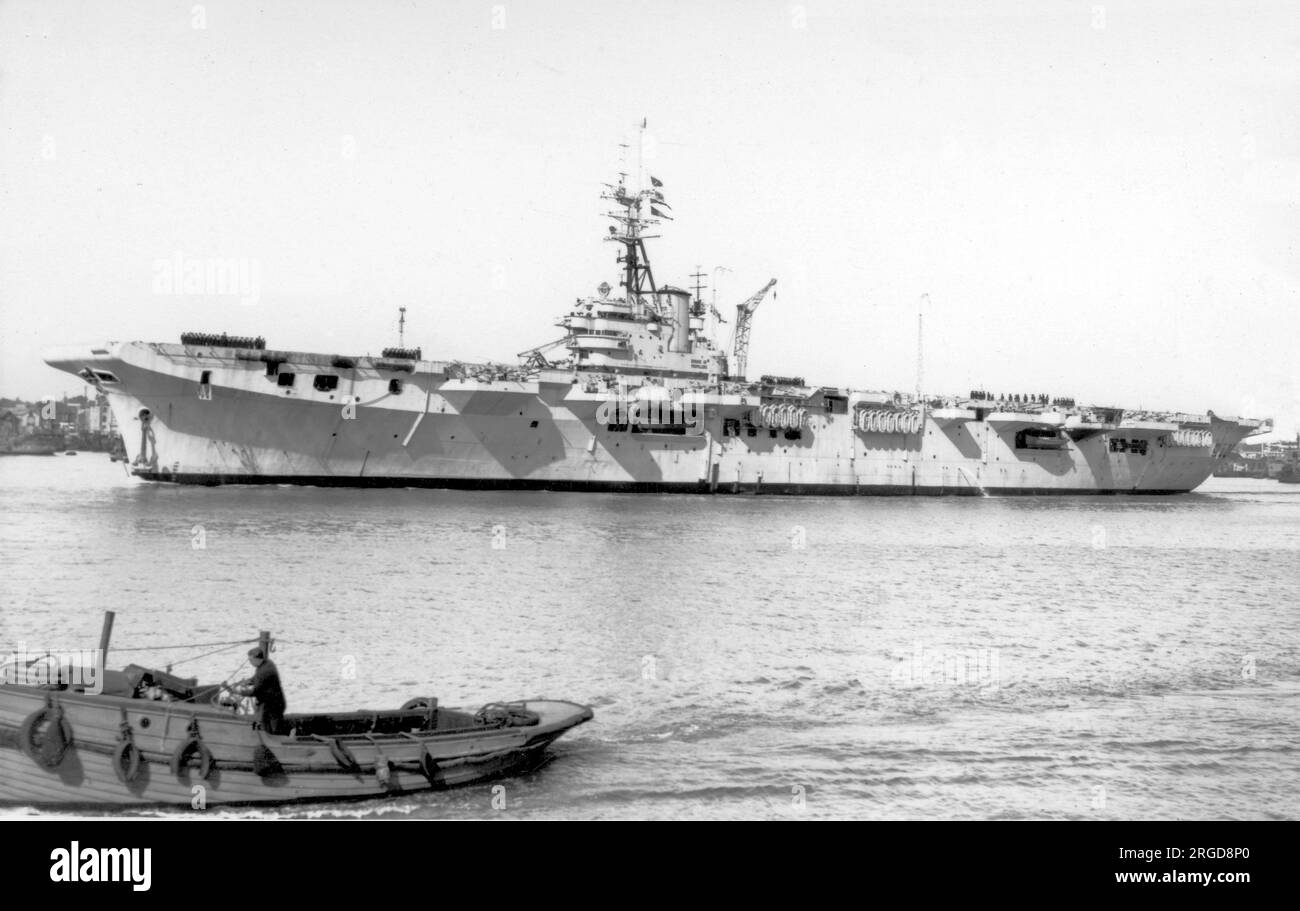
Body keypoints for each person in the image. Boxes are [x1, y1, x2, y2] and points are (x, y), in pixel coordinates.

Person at [234, 647, 287, 734]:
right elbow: (256, 678)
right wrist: (248, 682)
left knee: (274, 729)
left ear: (257, 658)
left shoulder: (264, 672)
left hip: (273, 705)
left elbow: (255, 691)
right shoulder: (266, 663)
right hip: (272, 702)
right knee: (266, 724)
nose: (250, 662)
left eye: (251, 660)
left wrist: (239, 692)